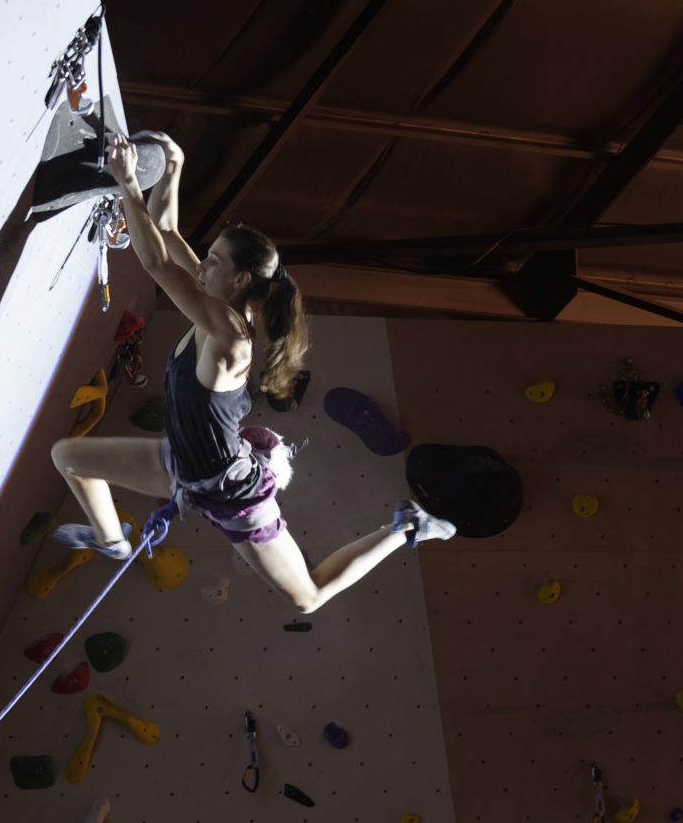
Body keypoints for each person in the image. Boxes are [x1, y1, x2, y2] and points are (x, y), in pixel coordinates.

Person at [48, 131, 454, 615]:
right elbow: (168, 232)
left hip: (230, 493)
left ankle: (407, 527)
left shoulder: (228, 334)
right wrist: (175, 166)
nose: (202, 267)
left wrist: (128, 183)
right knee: (67, 456)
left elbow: (155, 260)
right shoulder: (214, 304)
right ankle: (112, 541)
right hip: (183, 463)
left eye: (213, 261)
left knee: (308, 598)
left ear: (240, 280)